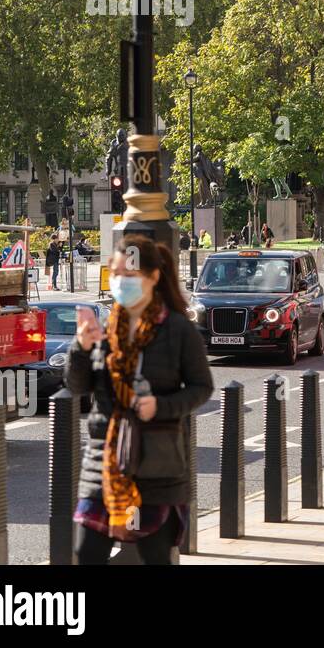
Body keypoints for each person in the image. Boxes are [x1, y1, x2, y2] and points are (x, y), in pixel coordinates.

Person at [65, 235, 213, 564]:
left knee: (154, 556)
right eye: (115, 274)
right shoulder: (107, 327)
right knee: (87, 553)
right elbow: (78, 387)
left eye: (130, 275)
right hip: (104, 464)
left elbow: (202, 387)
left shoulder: (177, 329)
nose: (120, 282)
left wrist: (160, 406)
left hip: (155, 467)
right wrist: (80, 348)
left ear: (153, 278)